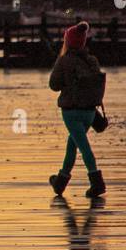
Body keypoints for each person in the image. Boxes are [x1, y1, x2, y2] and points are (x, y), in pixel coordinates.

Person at [48, 21, 106, 199]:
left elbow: (54, 85)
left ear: (68, 41)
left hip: (71, 112)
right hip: (89, 112)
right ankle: (60, 182)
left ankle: (97, 182)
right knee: (73, 145)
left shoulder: (64, 61)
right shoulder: (92, 60)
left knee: (83, 147)